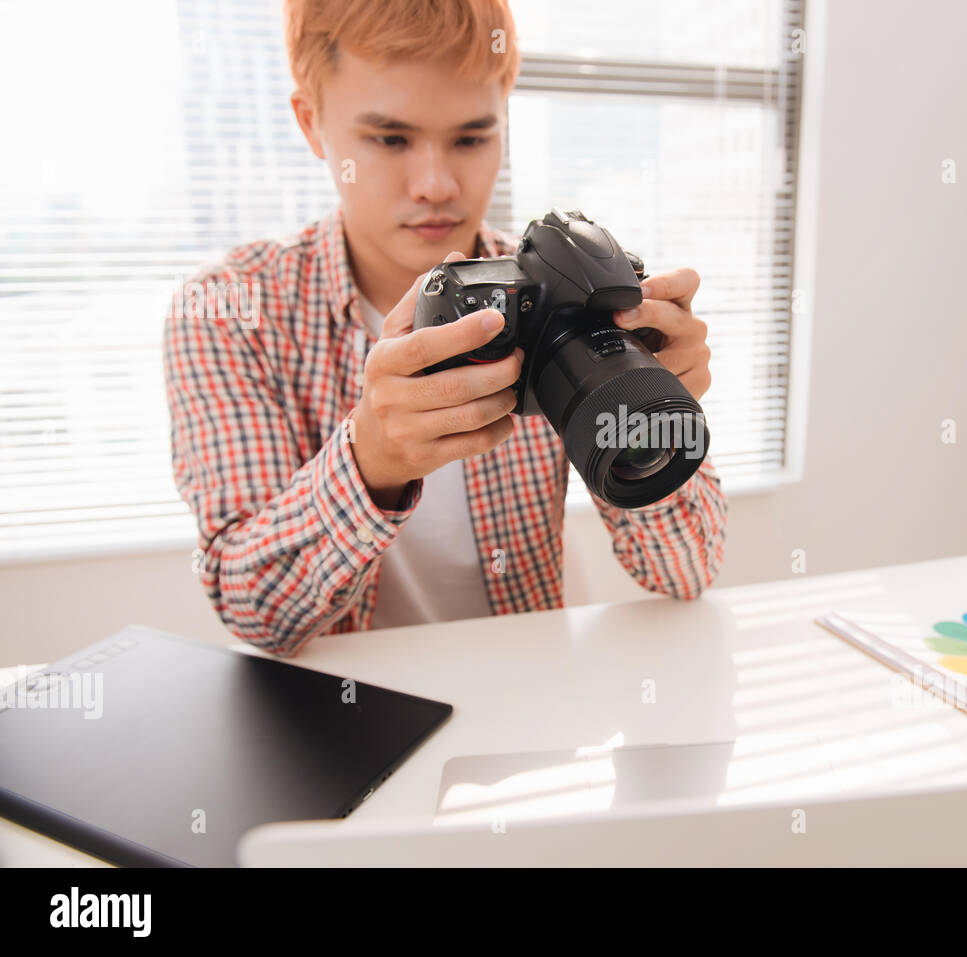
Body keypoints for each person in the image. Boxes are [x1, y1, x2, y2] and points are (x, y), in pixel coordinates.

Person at [162, 0, 727, 657]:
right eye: (391, 139)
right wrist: (372, 458)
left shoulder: (556, 289)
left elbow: (687, 573)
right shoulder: (233, 312)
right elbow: (253, 608)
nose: (435, 185)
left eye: (470, 137)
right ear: (312, 124)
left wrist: (652, 404)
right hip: (341, 735)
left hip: (529, 715)